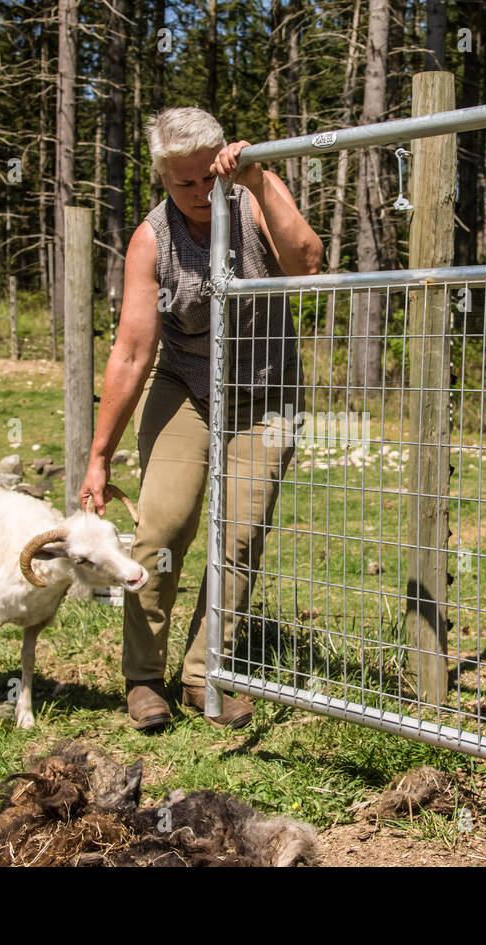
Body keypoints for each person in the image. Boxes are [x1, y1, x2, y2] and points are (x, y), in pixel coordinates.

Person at [78, 106, 322, 730]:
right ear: (162, 177)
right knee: (163, 528)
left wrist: (259, 177)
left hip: (267, 397)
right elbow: (133, 352)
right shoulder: (152, 239)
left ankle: (207, 671)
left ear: (223, 160)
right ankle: (142, 678)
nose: (199, 193)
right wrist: (99, 455)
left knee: (239, 536)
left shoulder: (252, 198)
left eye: (207, 177)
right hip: (185, 386)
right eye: (182, 182)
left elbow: (307, 264)